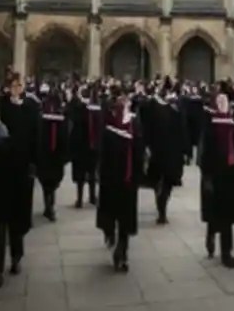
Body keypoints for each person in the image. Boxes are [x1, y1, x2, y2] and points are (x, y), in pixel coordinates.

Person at [0, 74, 35, 289]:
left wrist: (33, 165)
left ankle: (16, 256)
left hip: (20, 171)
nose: (16, 88)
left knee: (17, 220)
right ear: (8, 87)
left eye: (19, 85)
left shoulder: (30, 109)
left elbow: (35, 138)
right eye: (13, 85)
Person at [97, 88, 143, 273]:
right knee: (111, 214)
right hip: (111, 180)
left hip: (128, 179)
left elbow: (139, 150)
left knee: (126, 218)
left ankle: (122, 252)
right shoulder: (109, 126)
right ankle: (111, 234)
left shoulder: (135, 124)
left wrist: (138, 176)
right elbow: (103, 153)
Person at [200, 92, 234, 268]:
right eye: (219, 101)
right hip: (215, 174)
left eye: (225, 101)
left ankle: (227, 252)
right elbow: (205, 154)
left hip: (231, 175)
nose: (222, 104)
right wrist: (207, 177)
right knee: (215, 212)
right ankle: (211, 234)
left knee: (227, 215)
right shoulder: (210, 125)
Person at [141, 84, 185, 225]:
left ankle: (161, 208)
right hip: (171, 154)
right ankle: (162, 210)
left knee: (157, 182)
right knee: (167, 183)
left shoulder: (150, 109)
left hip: (156, 152)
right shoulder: (175, 111)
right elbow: (183, 133)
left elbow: (144, 130)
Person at [36, 84, 68, 222]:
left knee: (46, 183)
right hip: (56, 156)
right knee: (53, 183)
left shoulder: (41, 117)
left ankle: (48, 206)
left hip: (45, 155)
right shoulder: (61, 118)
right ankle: (50, 207)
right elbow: (66, 138)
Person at [68, 85, 102, 207]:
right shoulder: (98, 110)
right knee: (92, 173)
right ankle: (92, 197)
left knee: (80, 175)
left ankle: (79, 199)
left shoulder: (78, 108)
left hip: (80, 147)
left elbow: (73, 127)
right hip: (94, 147)